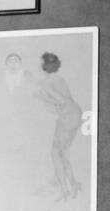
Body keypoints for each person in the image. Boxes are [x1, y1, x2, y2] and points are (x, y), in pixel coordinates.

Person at [32, 51, 83, 201]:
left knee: (55, 154)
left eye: (39, 62)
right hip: (75, 113)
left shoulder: (46, 82)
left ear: (44, 66)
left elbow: (60, 101)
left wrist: (42, 97)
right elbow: (65, 99)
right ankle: (73, 185)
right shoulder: (59, 78)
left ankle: (64, 190)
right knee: (63, 153)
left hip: (67, 117)